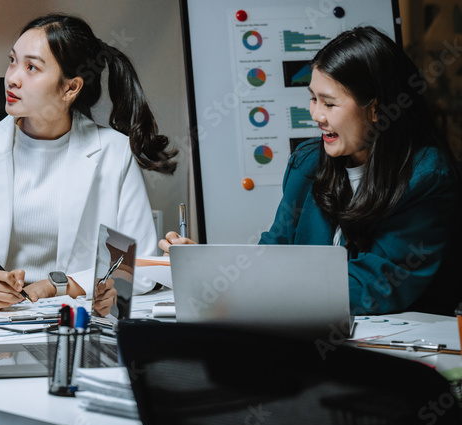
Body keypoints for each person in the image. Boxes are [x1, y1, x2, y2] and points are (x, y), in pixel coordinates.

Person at [160, 26, 461, 315]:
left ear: (375, 108)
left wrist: (259, 282)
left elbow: (375, 285)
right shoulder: (307, 164)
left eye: (329, 104)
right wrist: (205, 266)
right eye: (313, 98)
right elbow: (274, 253)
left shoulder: (426, 177)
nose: (316, 115)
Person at [0, 13, 177, 315]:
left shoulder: (113, 153)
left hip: (73, 320)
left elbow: (131, 265)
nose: (12, 77)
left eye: (31, 67)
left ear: (70, 88)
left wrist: (58, 285)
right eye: (12, 61)